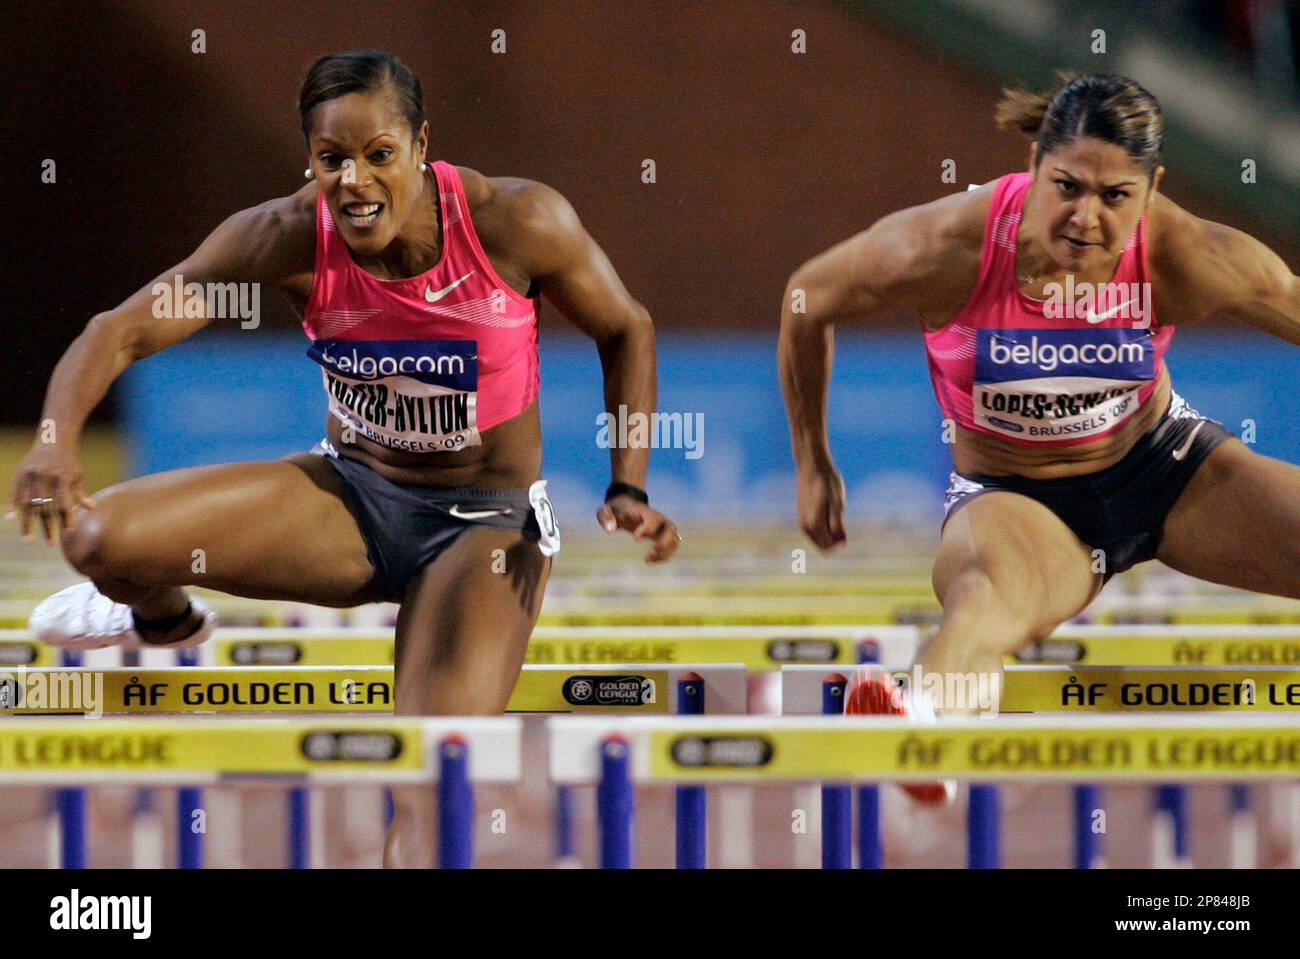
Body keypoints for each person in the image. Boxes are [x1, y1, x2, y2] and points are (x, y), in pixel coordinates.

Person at [7, 49, 679, 861]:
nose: (355, 182)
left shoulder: (516, 222)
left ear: (421, 145)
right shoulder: (285, 237)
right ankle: (163, 618)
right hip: (351, 498)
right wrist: (54, 437)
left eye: (378, 156)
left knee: (431, 792)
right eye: (332, 160)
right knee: (94, 539)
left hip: (483, 528)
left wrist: (628, 481)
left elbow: (626, 326)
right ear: (311, 160)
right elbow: (120, 328)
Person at [779, 72, 1299, 801]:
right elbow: (805, 300)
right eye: (1068, 187)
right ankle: (922, 719)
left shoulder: (1186, 254)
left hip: (1168, 470)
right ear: (1032, 168)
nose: (1086, 218)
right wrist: (813, 462)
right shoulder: (945, 247)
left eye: (1115, 196)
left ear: (1151, 191)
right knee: (984, 598)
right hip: (1023, 502)